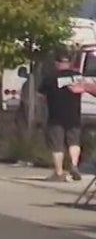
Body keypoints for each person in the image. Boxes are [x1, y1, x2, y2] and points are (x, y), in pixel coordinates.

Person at [37, 54, 87, 182]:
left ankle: (59, 173)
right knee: (74, 142)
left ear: (57, 63)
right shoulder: (78, 77)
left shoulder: (50, 78)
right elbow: (83, 90)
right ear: (70, 63)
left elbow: (41, 95)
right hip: (74, 115)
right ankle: (74, 166)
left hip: (56, 116)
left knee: (57, 145)